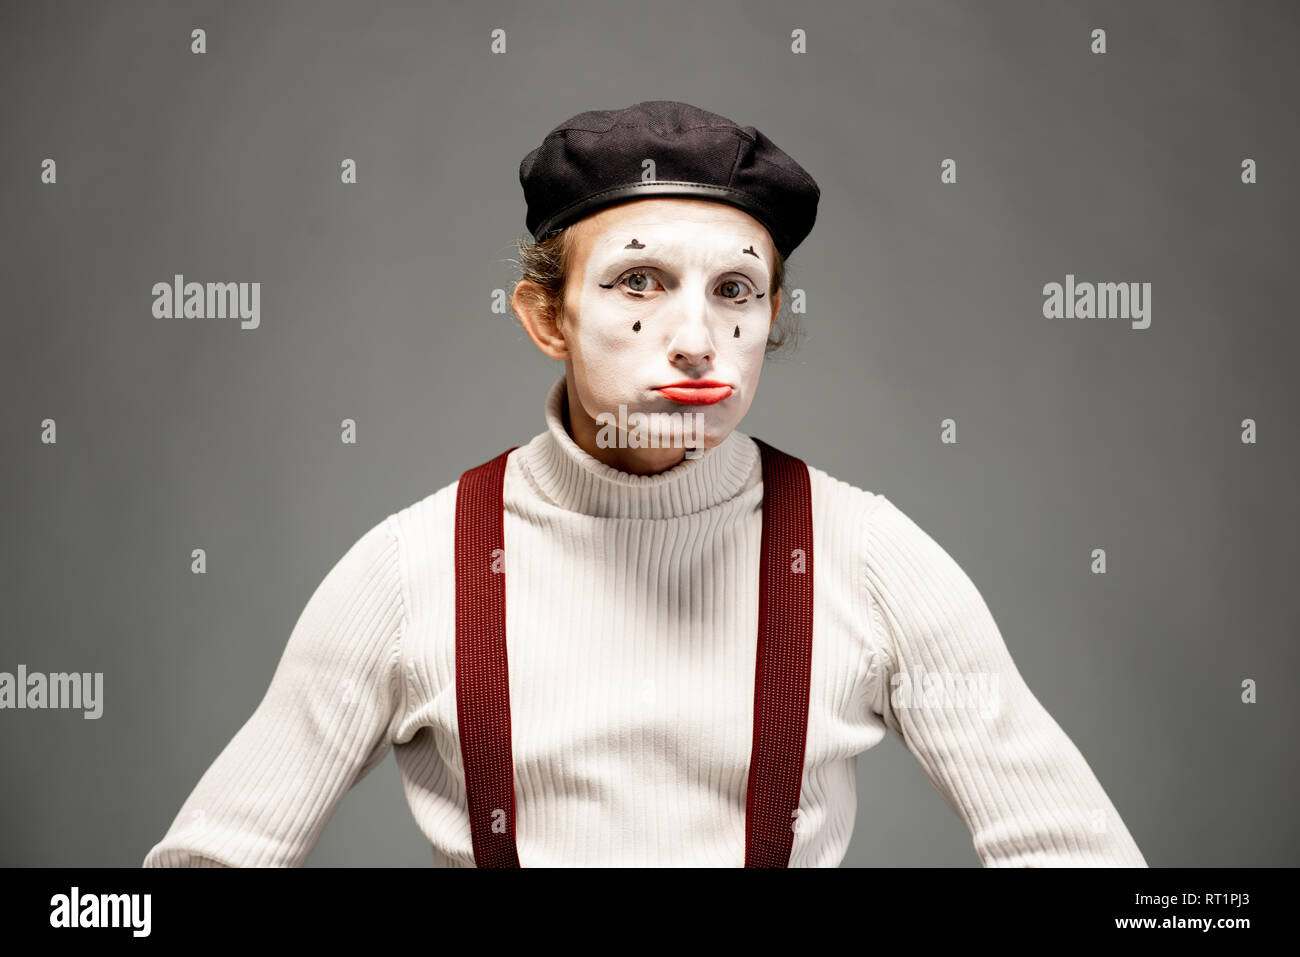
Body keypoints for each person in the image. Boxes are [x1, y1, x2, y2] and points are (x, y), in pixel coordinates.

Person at [143, 100, 1147, 868]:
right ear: (546, 318)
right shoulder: (411, 569)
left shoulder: (868, 557)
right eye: (637, 283)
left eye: (735, 290)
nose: (697, 338)